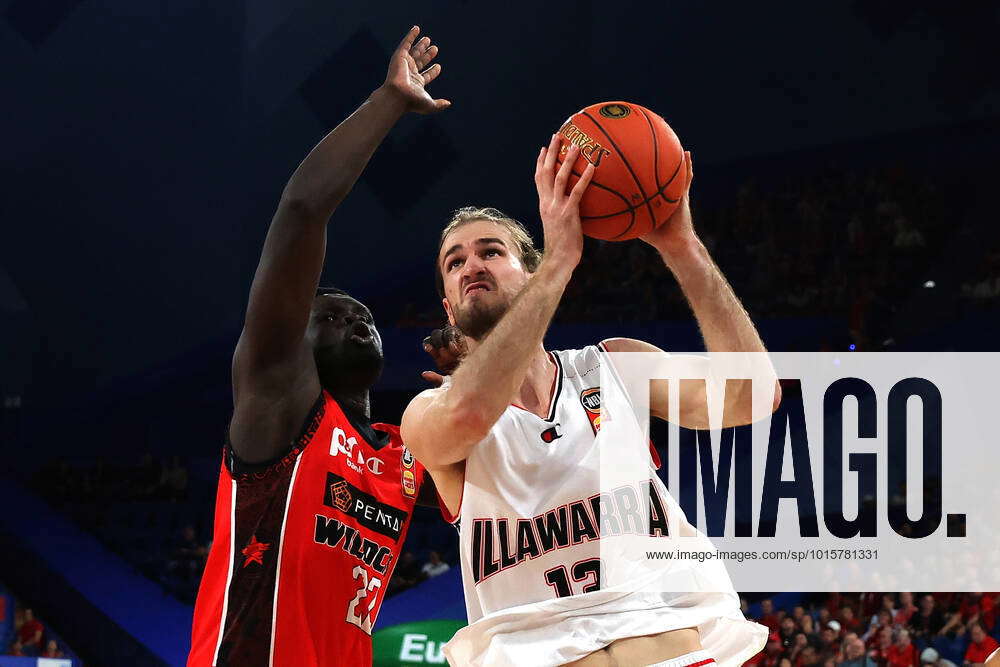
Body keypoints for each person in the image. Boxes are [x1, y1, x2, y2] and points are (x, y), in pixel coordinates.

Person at [403, 137, 779, 665]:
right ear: (448, 303)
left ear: (528, 274)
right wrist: (560, 261)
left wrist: (682, 247)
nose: (472, 266)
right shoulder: (426, 413)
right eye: (454, 262)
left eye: (491, 251)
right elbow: (469, 413)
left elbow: (751, 397)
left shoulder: (614, 366)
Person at [187, 25, 447, 666]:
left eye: (361, 315)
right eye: (328, 316)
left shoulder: (406, 453)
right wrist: (389, 101)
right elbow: (302, 210)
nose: (354, 321)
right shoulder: (279, 398)